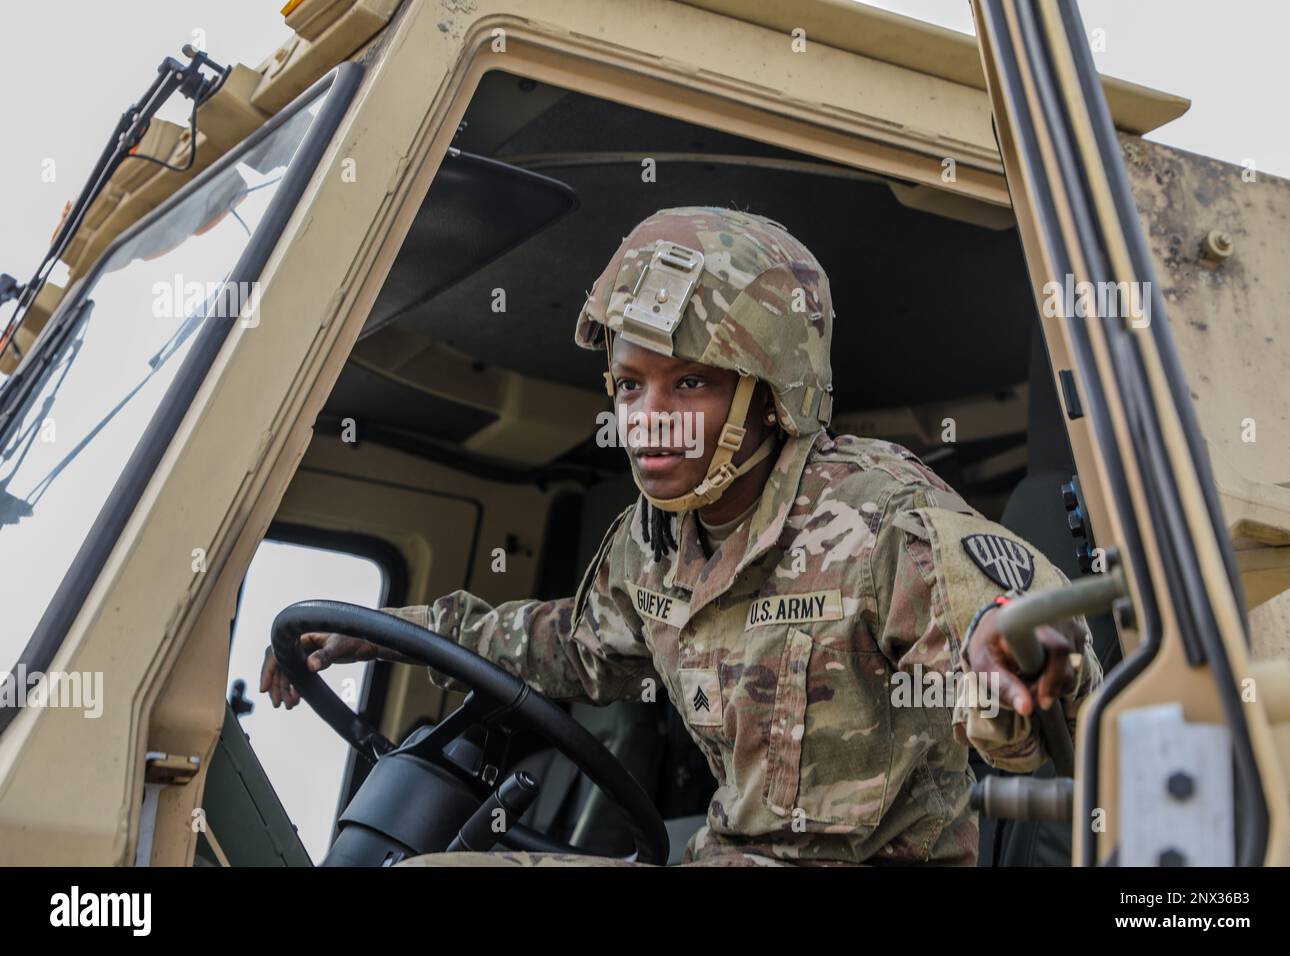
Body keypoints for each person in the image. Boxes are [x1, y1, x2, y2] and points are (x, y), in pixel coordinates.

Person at [262, 206, 1102, 866]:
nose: (646, 419)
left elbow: (1012, 629)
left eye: (690, 383)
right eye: (630, 386)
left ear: (772, 396)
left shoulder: (877, 513)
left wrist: (1015, 659)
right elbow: (570, 647)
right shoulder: (655, 538)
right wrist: (389, 633)